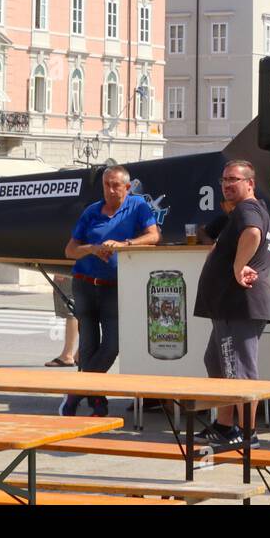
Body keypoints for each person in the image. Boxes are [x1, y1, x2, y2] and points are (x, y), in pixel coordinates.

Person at [63, 165, 159, 416]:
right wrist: (92, 248)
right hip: (84, 283)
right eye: (106, 184)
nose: (111, 190)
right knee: (88, 347)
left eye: (116, 185)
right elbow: (70, 251)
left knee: (112, 344)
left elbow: (153, 236)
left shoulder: (137, 206)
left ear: (128, 187)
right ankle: (98, 402)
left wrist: (124, 244)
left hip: (114, 287)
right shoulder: (92, 211)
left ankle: (76, 392)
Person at [193, 160, 270, 449]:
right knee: (217, 363)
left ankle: (248, 436)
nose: (227, 184)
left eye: (234, 180)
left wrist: (239, 265)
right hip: (227, 307)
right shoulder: (242, 211)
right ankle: (225, 426)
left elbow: (253, 233)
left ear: (250, 183)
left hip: (239, 305)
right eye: (224, 179)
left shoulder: (248, 209)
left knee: (238, 371)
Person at [45, 274, 79, 367]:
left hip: (71, 267)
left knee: (71, 308)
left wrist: (58, 270)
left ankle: (67, 355)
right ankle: (81, 353)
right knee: (82, 307)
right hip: (85, 267)